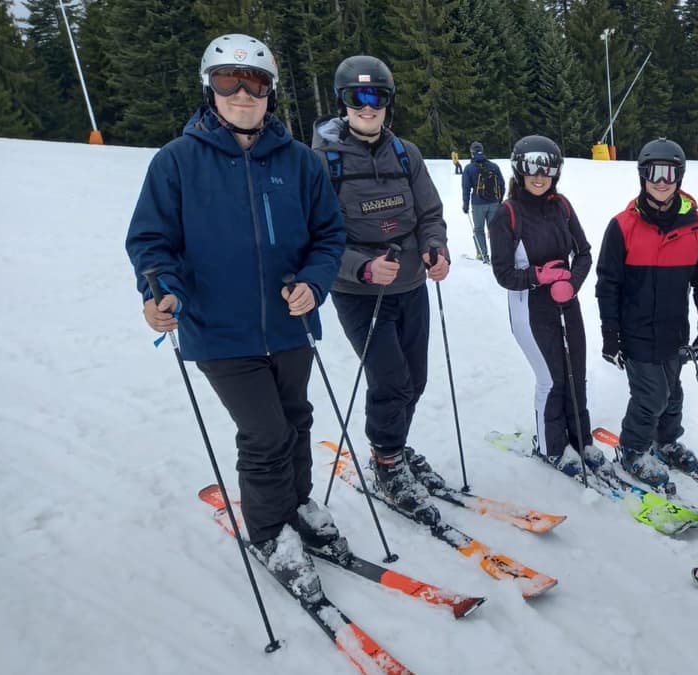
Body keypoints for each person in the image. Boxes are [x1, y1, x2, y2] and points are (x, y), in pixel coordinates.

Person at [125, 33, 348, 600]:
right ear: (211, 88)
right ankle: (270, 532)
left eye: (256, 83)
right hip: (218, 329)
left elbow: (329, 235)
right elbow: (152, 242)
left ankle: (298, 504)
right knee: (265, 433)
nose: (243, 94)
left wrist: (315, 284)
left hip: (290, 323)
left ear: (270, 92)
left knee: (296, 417)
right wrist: (160, 291)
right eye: (230, 81)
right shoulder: (177, 161)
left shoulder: (299, 162)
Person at [311, 55, 450, 526]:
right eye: (357, 97)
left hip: (410, 283)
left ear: (389, 103)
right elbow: (315, 235)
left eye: (377, 97)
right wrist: (362, 268)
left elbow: (429, 213)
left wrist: (435, 248)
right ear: (343, 102)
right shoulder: (322, 161)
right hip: (359, 292)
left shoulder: (405, 154)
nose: (368, 107)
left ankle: (392, 447)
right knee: (390, 381)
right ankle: (388, 464)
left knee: (416, 378)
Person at [595, 138, 698, 491]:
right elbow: (608, 284)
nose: (661, 181)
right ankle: (633, 450)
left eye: (669, 173)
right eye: (654, 172)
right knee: (651, 396)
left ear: (679, 176)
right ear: (642, 176)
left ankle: (665, 441)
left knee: (673, 392)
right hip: (636, 331)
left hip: (673, 330)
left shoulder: (697, 225)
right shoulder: (622, 226)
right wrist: (610, 333)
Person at [488, 135, 600, 475]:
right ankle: (551, 445)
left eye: (547, 170)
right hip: (530, 309)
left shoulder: (561, 206)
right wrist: (540, 276)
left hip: (567, 304)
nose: (539, 177)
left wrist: (571, 282)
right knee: (551, 378)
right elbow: (504, 273)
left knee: (575, 373)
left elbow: (583, 252)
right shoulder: (505, 214)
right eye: (532, 169)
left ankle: (581, 438)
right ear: (519, 170)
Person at [462, 141, 506, 264]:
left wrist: (465, 204)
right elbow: (502, 184)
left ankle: (482, 255)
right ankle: (498, 255)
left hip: (477, 204)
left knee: (479, 230)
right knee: (494, 230)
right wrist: (499, 199)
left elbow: (466, 188)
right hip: (494, 203)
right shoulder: (494, 166)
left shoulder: (469, 168)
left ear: (472, 153)